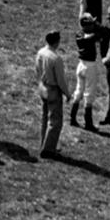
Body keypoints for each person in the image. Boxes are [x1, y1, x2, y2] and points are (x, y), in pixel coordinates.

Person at [34, 28, 70, 157]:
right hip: (53, 89)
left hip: (42, 87)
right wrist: (67, 93)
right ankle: (49, 149)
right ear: (57, 42)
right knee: (55, 121)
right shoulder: (56, 58)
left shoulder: (40, 52)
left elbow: (37, 70)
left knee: (45, 117)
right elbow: (60, 79)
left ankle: (43, 143)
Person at [69, 14, 105, 129]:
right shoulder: (89, 36)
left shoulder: (79, 34)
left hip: (81, 65)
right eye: (90, 24)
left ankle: (72, 118)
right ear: (86, 25)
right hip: (90, 66)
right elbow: (98, 35)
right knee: (89, 93)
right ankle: (88, 123)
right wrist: (98, 27)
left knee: (78, 91)